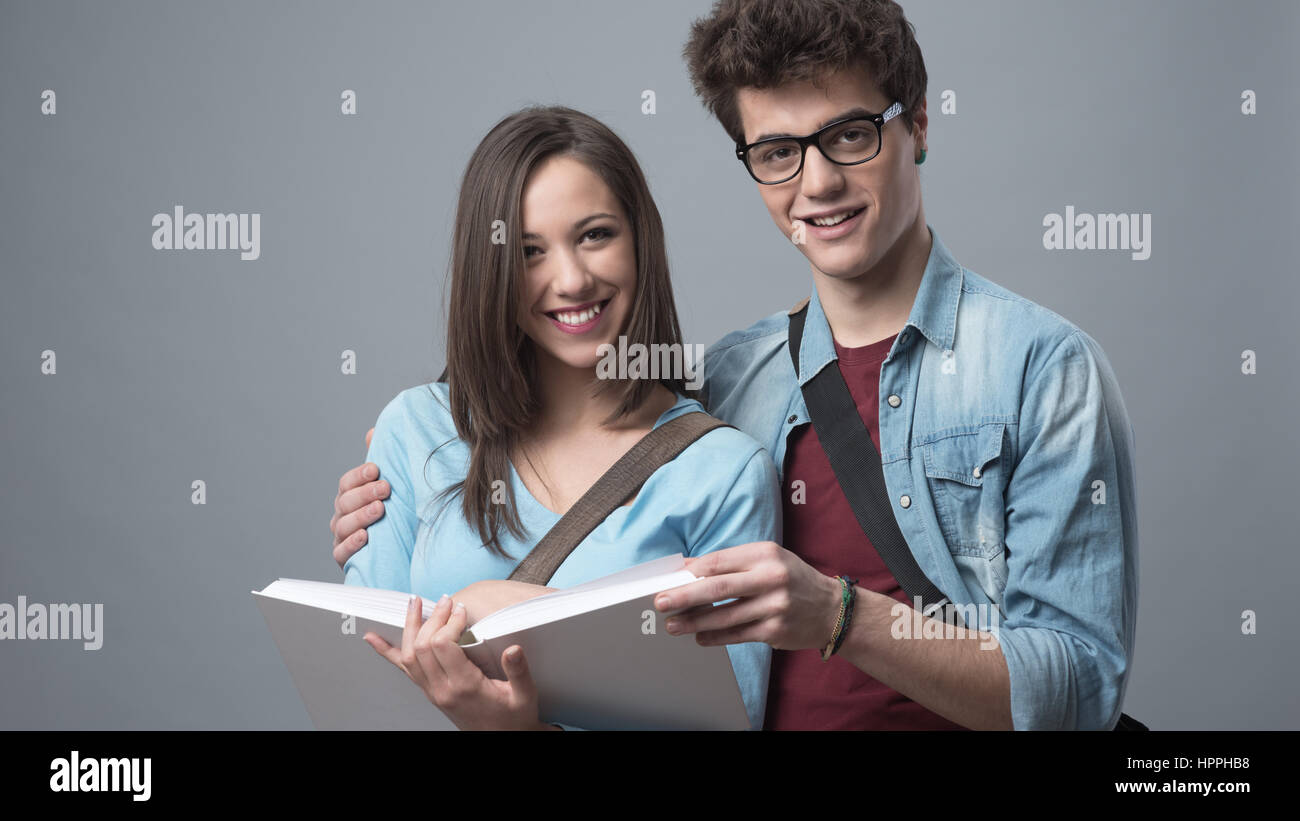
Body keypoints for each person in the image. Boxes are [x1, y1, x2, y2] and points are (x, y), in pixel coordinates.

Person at [333, 0, 1138, 731]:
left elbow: (1080, 690)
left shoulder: (1042, 369)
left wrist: (838, 614)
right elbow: (588, 461)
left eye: (850, 134)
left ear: (918, 124)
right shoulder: (730, 379)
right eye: (779, 151)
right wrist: (408, 466)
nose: (817, 182)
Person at [341, 104, 780, 731]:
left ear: (640, 238)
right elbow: (364, 696)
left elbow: (724, 722)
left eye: (595, 234)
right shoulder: (414, 430)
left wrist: (500, 636)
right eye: (528, 251)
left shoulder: (724, 472)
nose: (571, 279)